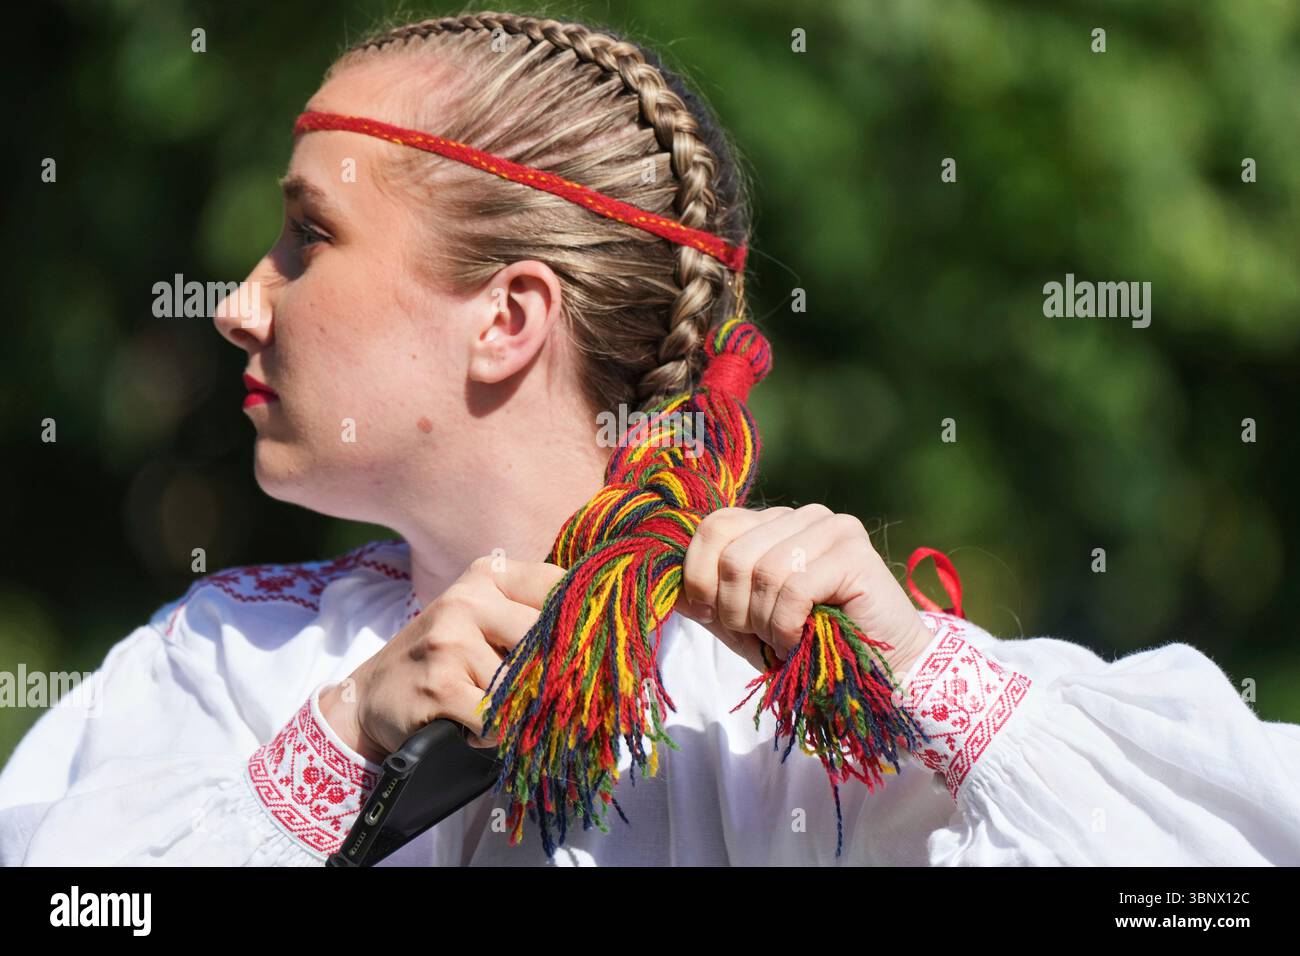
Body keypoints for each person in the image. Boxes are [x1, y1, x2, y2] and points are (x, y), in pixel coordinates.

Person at [3, 12, 1298, 867]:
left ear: (509, 316)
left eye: (308, 235)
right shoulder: (230, 665)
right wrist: (334, 752)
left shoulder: (807, 708)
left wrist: (930, 674)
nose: (239, 301)